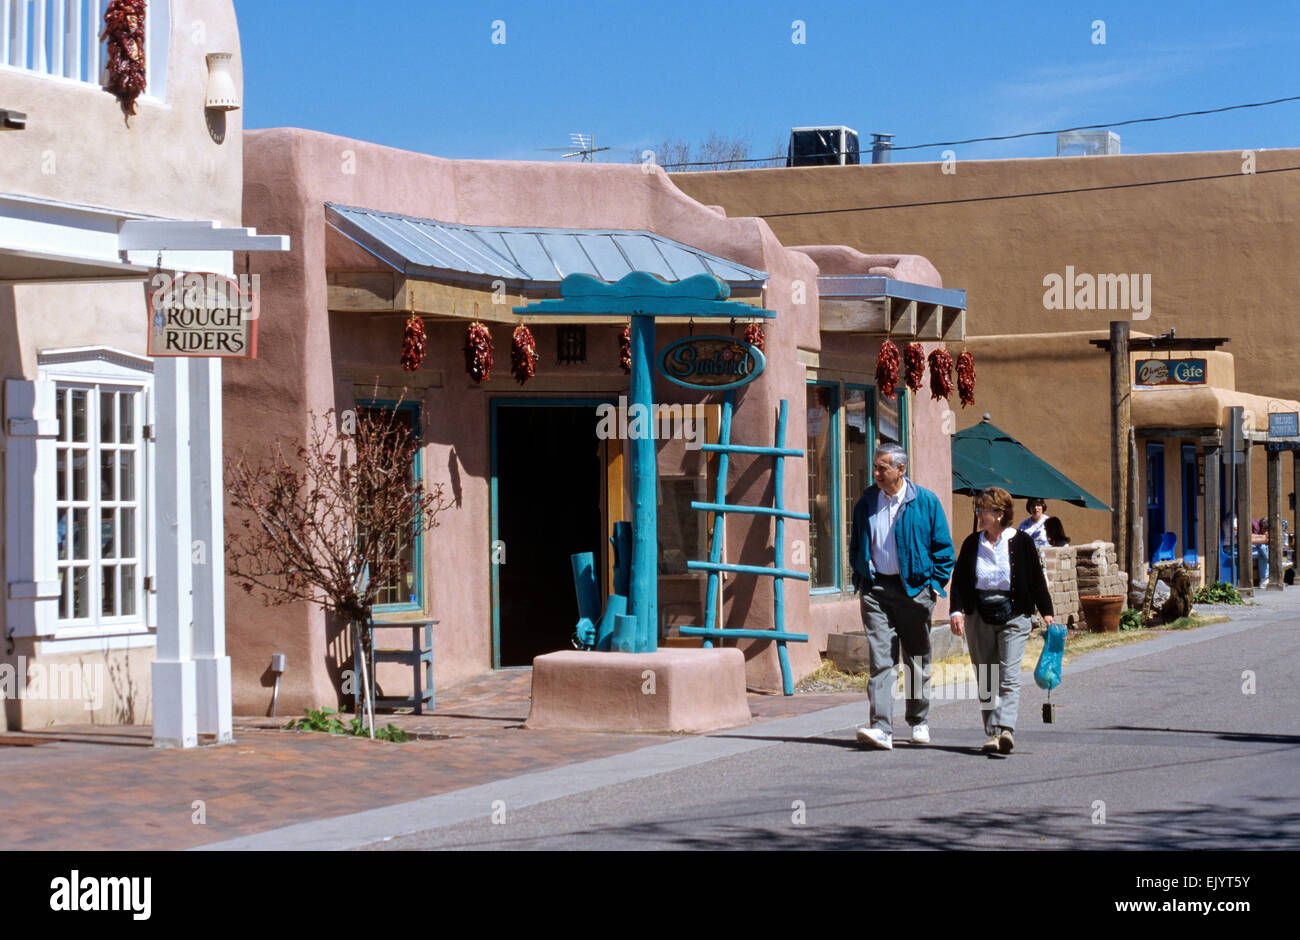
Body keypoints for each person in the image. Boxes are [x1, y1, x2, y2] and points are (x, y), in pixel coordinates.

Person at [848, 443, 955, 750]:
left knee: (917, 657)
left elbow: (944, 549)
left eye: (883, 467)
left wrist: (933, 586)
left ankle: (919, 720)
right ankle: (881, 727)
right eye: (875, 467)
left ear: (901, 469)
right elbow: (857, 541)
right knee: (881, 660)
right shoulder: (867, 501)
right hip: (876, 590)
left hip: (914, 591)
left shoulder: (925, 502)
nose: (876, 473)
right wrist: (861, 573)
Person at [949, 486, 1054, 755]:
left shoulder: (1022, 542)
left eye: (983, 509)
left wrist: (1047, 613)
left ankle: (1005, 728)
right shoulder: (973, 543)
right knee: (987, 675)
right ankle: (993, 733)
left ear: (999, 513)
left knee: (1008, 674)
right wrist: (956, 611)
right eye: (979, 509)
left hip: (1015, 613)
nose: (979, 514)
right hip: (979, 614)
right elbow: (960, 580)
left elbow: (1036, 580)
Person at [1251, 518, 1270, 587]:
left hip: (1255, 548)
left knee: (1263, 550)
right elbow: (1256, 540)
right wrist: (1263, 538)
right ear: (1262, 527)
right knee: (1262, 547)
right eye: (1265, 529)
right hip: (1247, 547)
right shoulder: (1254, 526)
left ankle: (1264, 580)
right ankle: (1264, 579)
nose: (1265, 532)